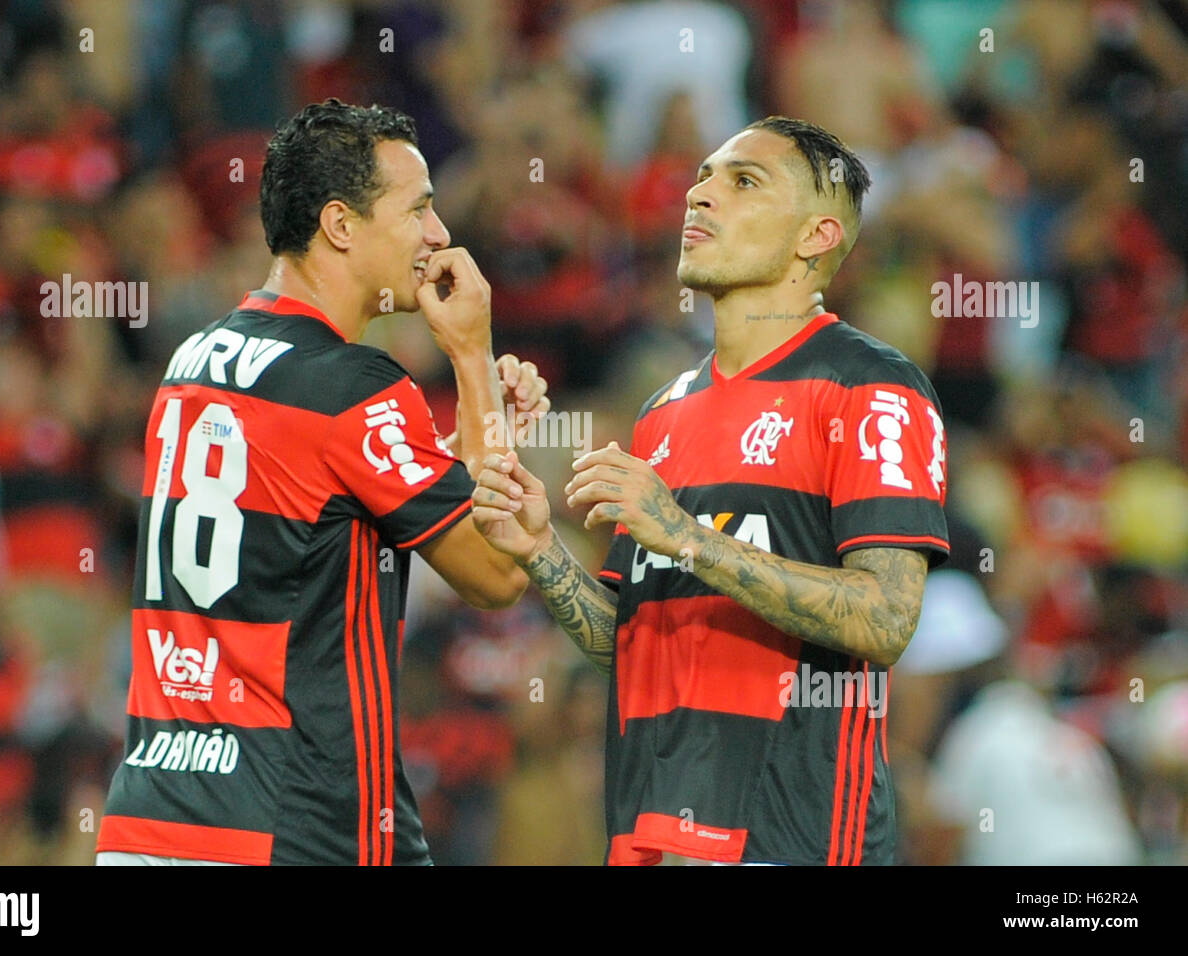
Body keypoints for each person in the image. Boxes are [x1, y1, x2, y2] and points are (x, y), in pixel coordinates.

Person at [472, 116, 949, 865]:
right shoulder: (664, 410)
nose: (700, 195)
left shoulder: (869, 387)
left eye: (742, 181)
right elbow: (632, 645)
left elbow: (886, 618)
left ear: (816, 237)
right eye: (702, 176)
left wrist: (685, 533)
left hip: (793, 841)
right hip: (653, 835)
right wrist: (540, 549)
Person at [95, 99, 548, 865]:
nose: (439, 236)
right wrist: (472, 355)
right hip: (301, 826)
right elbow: (497, 571)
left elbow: (316, 503)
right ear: (341, 225)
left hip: (153, 821)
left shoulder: (192, 362)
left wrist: (463, 432)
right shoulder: (354, 385)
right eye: (419, 210)